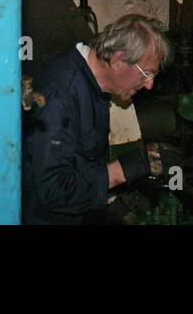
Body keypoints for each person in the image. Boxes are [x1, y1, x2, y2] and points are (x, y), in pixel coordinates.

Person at [21, 14, 171, 224]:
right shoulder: (59, 97)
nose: (149, 85)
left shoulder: (93, 85)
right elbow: (53, 190)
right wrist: (123, 170)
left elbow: (80, 159)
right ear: (118, 60)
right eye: (146, 74)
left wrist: (107, 198)